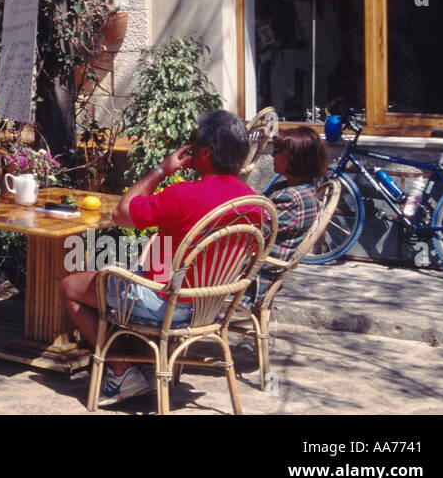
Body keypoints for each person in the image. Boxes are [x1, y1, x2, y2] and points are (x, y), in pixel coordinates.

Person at [58, 109, 259, 407]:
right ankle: (146, 366)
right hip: (209, 306)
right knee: (143, 263)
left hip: (167, 306)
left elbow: (121, 214)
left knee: (70, 285)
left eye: (193, 141)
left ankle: (121, 372)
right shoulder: (252, 202)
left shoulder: (183, 195)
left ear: (202, 152)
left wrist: (160, 170)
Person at [248, 125, 325, 306]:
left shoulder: (291, 198)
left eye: (277, 151)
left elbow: (252, 232)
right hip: (251, 266)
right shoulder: (297, 190)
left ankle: (173, 312)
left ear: (294, 156)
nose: (272, 156)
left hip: (250, 279)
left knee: (169, 243)